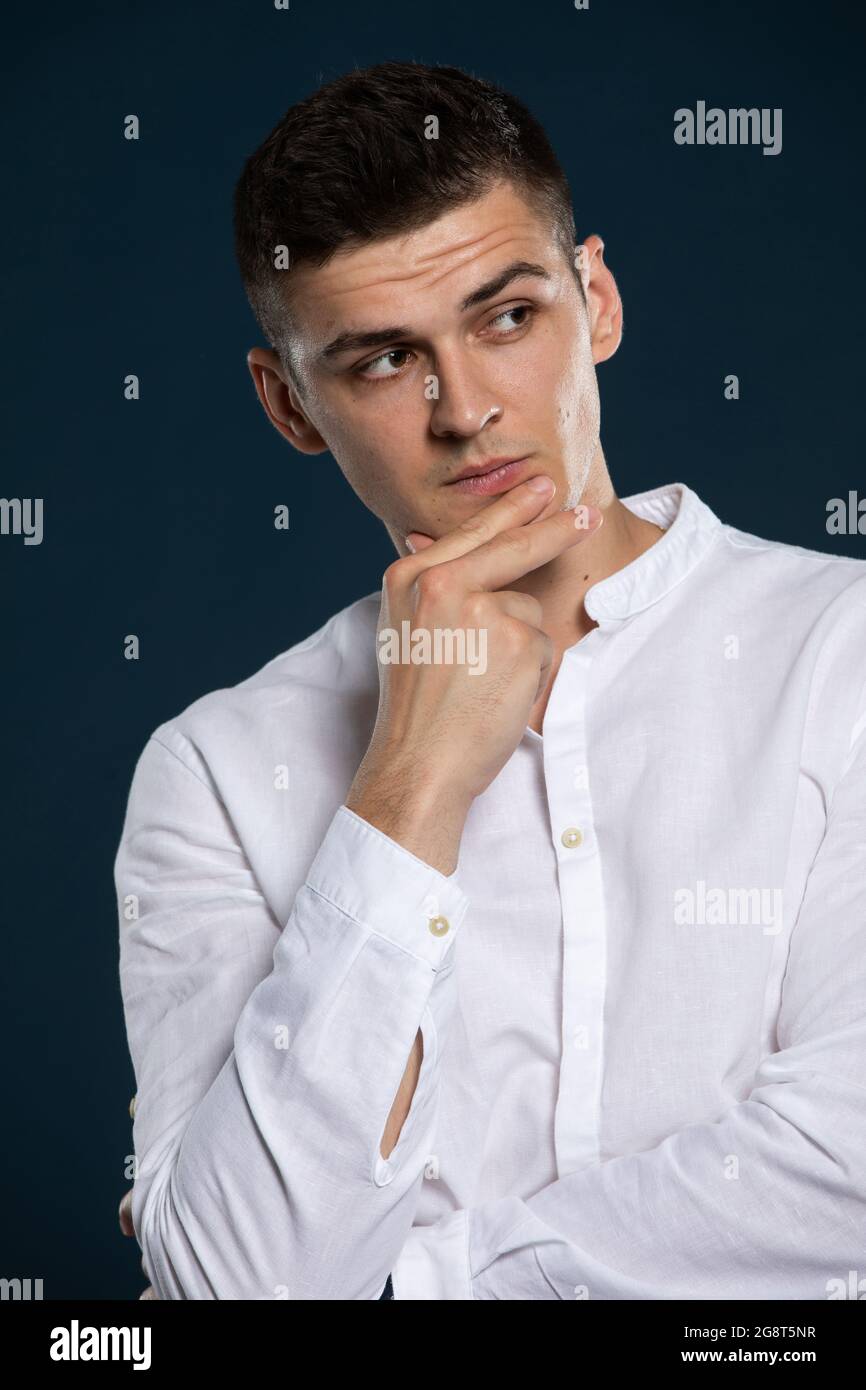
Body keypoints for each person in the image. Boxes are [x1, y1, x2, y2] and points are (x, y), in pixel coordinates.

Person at [115, 60, 866, 1300]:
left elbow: (846, 1155)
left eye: (506, 318)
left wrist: (426, 1283)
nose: (464, 409)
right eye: (379, 361)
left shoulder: (842, 648)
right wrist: (408, 787)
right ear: (289, 407)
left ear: (598, 302)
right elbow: (241, 1289)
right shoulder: (212, 774)